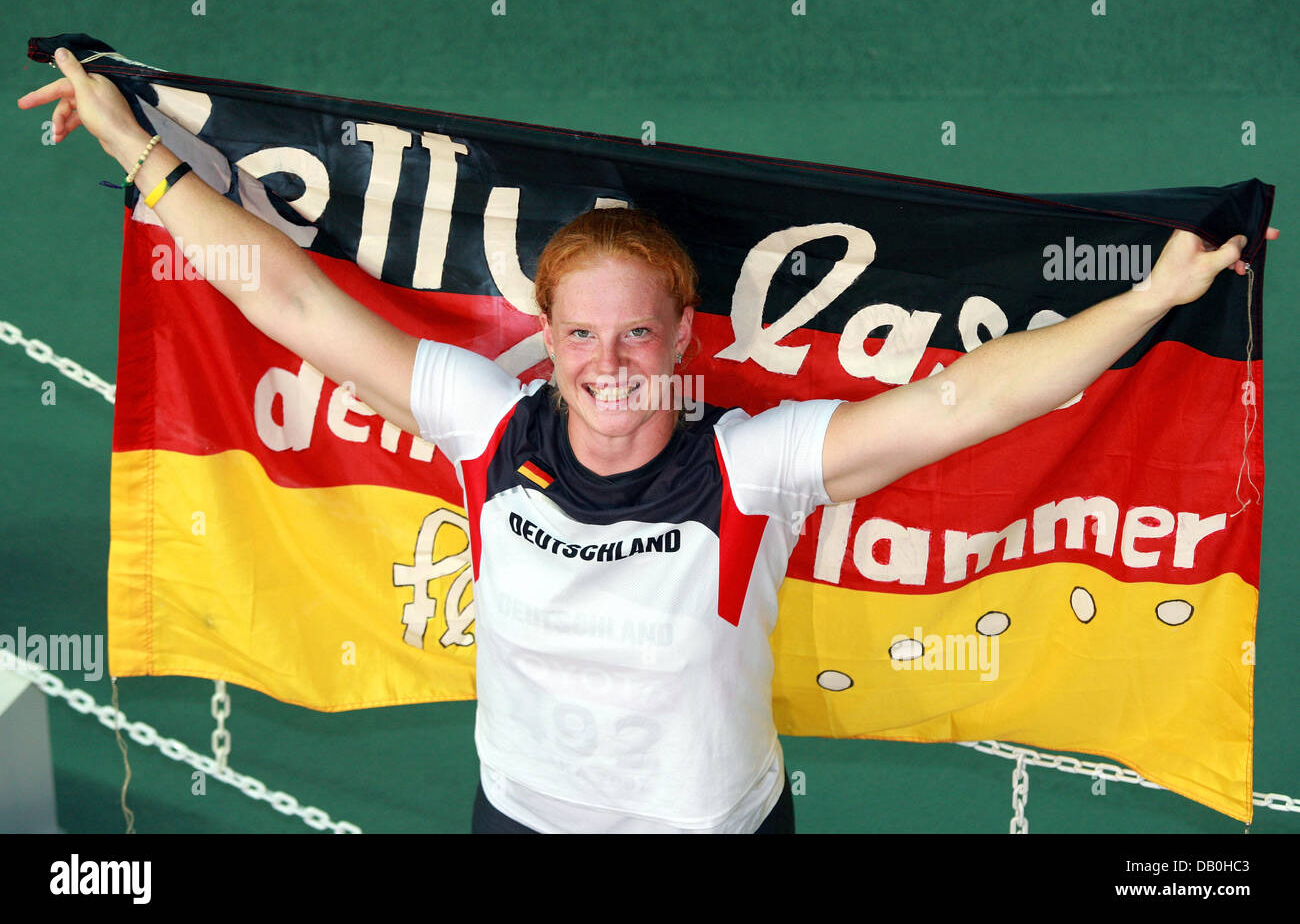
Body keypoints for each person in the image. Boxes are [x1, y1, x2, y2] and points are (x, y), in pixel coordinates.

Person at [19, 48, 1277, 833]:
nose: (608, 368)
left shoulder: (752, 464)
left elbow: (980, 399)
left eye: (636, 339)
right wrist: (137, 149)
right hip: (516, 820)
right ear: (548, 337)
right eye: (580, 337)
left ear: (681, 342)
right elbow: (284, 297)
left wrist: (1154, 298)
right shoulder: (479, 417)